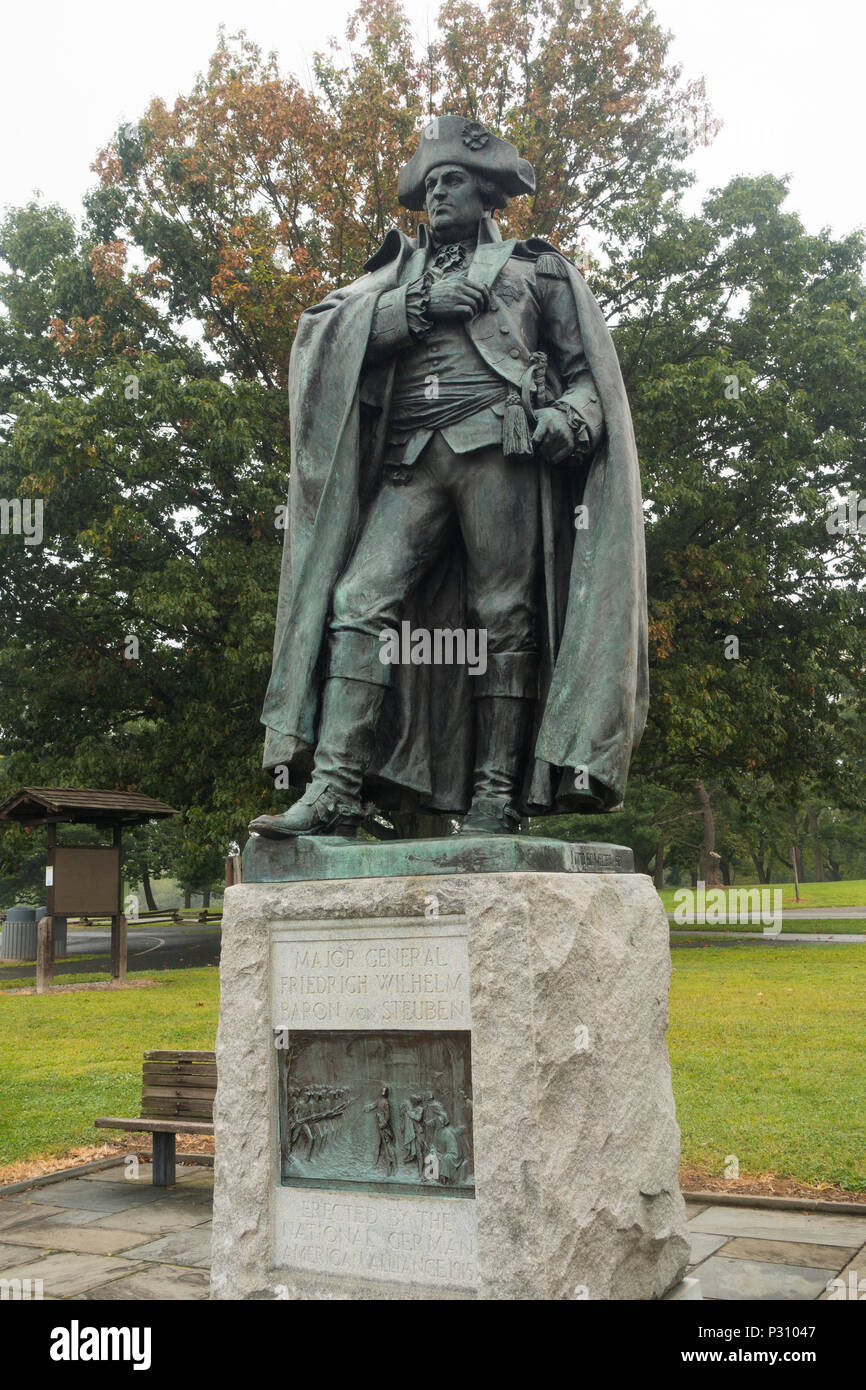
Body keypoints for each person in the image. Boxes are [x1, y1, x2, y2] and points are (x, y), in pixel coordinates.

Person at [251, 114, 647, 841]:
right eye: (430, 184)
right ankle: (336, 789)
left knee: (505, 616)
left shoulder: (538, 272)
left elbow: (590, 386)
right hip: (410, 460)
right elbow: (321, 335)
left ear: (488, 195)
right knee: (356, 599)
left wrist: (564, 423)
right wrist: (411, 308)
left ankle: (498, 795)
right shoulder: (390, 279)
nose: (438, 196)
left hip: (499, 448)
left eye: (453, 181)